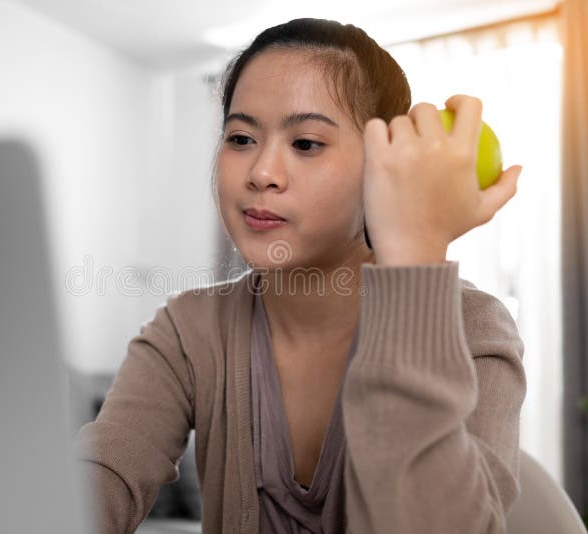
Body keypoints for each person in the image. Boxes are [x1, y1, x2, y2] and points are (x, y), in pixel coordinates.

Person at [76, 17, 526, 534]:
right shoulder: (187, 330)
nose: (261, 172)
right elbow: (99, 478)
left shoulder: (475, 329)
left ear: (383, 168)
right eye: (241, 137)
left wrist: (417, 254)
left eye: (307, 143)